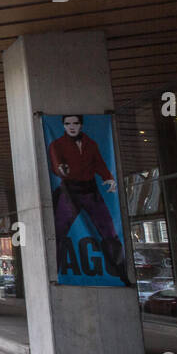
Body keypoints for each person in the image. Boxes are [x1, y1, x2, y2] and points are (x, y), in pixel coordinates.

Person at [47, 114, 131, 285]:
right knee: (59, 232)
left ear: (81, 125)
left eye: (75, 123)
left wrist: (108, 177)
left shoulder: (90, 143)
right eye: (68, 123)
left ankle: (121, 274)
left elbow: (99, 162)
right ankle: (57, 273)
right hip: (69, 191)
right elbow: (56, 165)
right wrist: (61, 169)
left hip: (91, 190)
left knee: (109, 231)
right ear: (63, 126)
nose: (72, 126)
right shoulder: (57, 144)